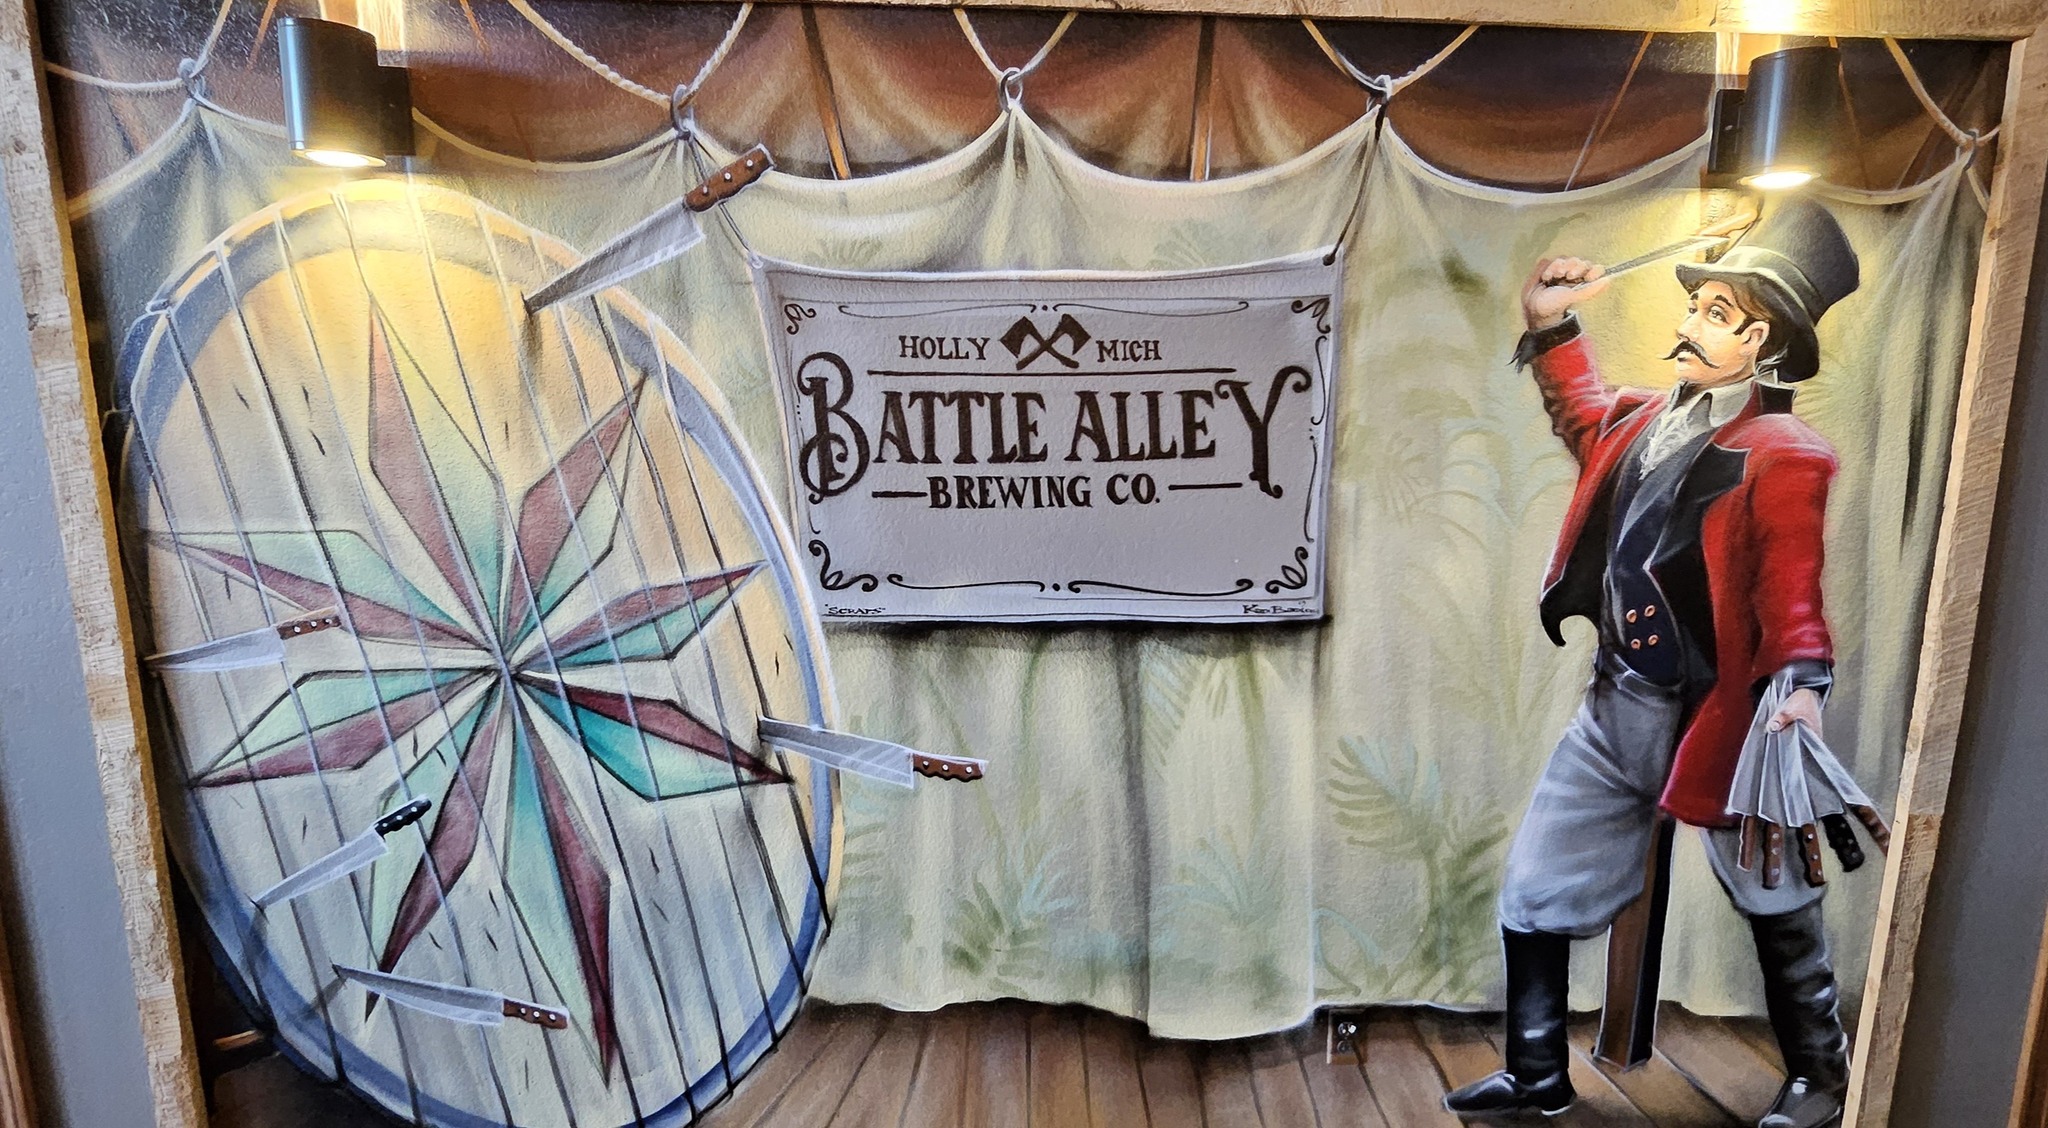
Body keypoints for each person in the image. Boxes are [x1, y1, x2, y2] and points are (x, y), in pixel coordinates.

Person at [1444, 200, 1866, 1128]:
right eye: (1696, 306)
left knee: (1772, 890)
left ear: (1761, 339)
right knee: (1537, 883)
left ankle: (1821, 1079)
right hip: (1618, 705)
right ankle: (1536, 1075)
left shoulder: (1786, 454)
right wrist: (1550, 323)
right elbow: (1580, 412)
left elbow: (1792, 588)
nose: (1689, 324)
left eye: (1716, 312)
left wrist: (1800, 685)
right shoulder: (1641, 419)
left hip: (1723, 719)